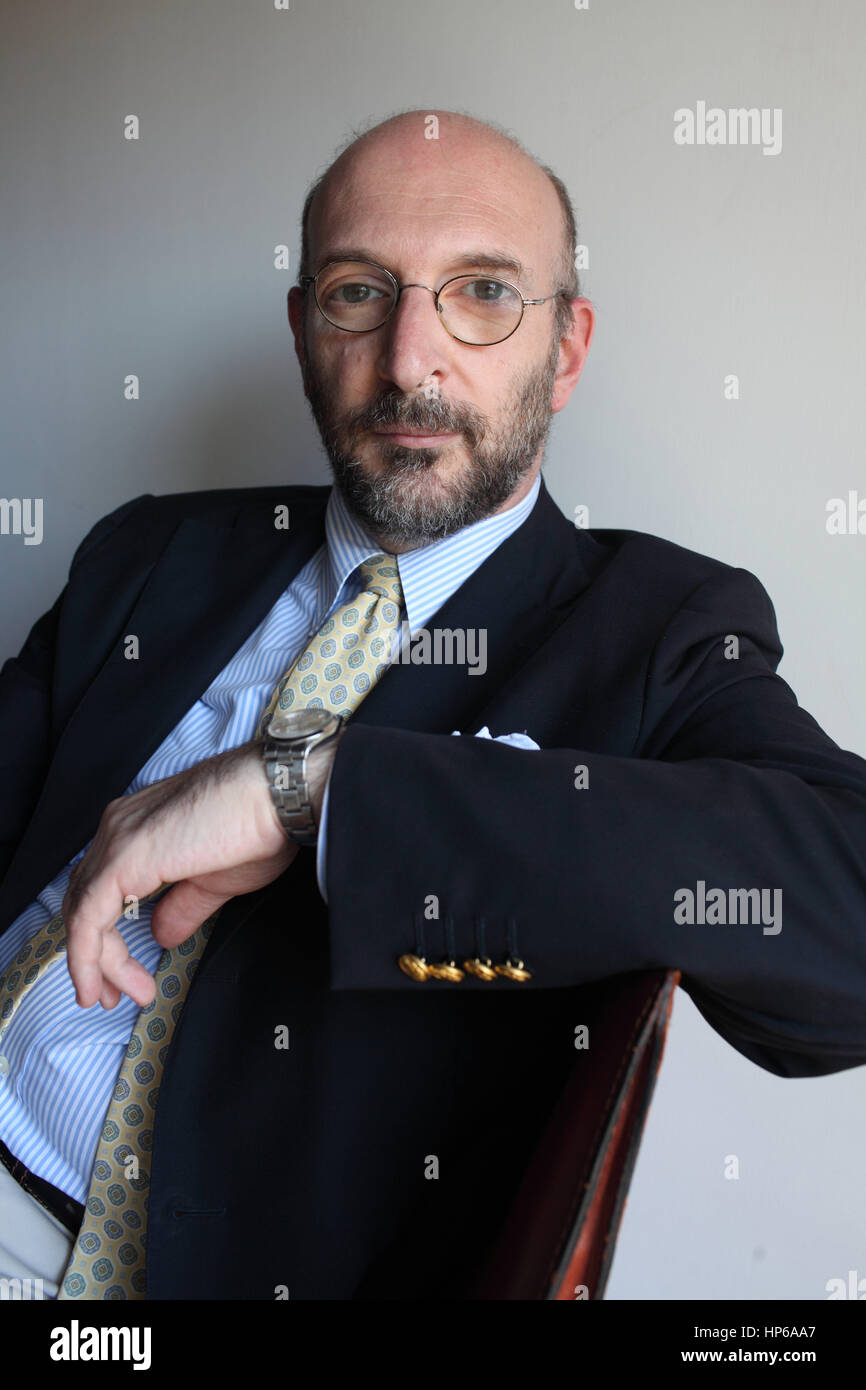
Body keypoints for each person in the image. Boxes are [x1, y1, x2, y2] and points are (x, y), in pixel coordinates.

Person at [1, 107, 865, 1302]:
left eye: (483, 293)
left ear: (564, 348)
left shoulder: (654, 628)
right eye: (361, 292)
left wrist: (313, 794)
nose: (412, 359)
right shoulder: (152, 554)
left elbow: (843, 919)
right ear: (305, 329)